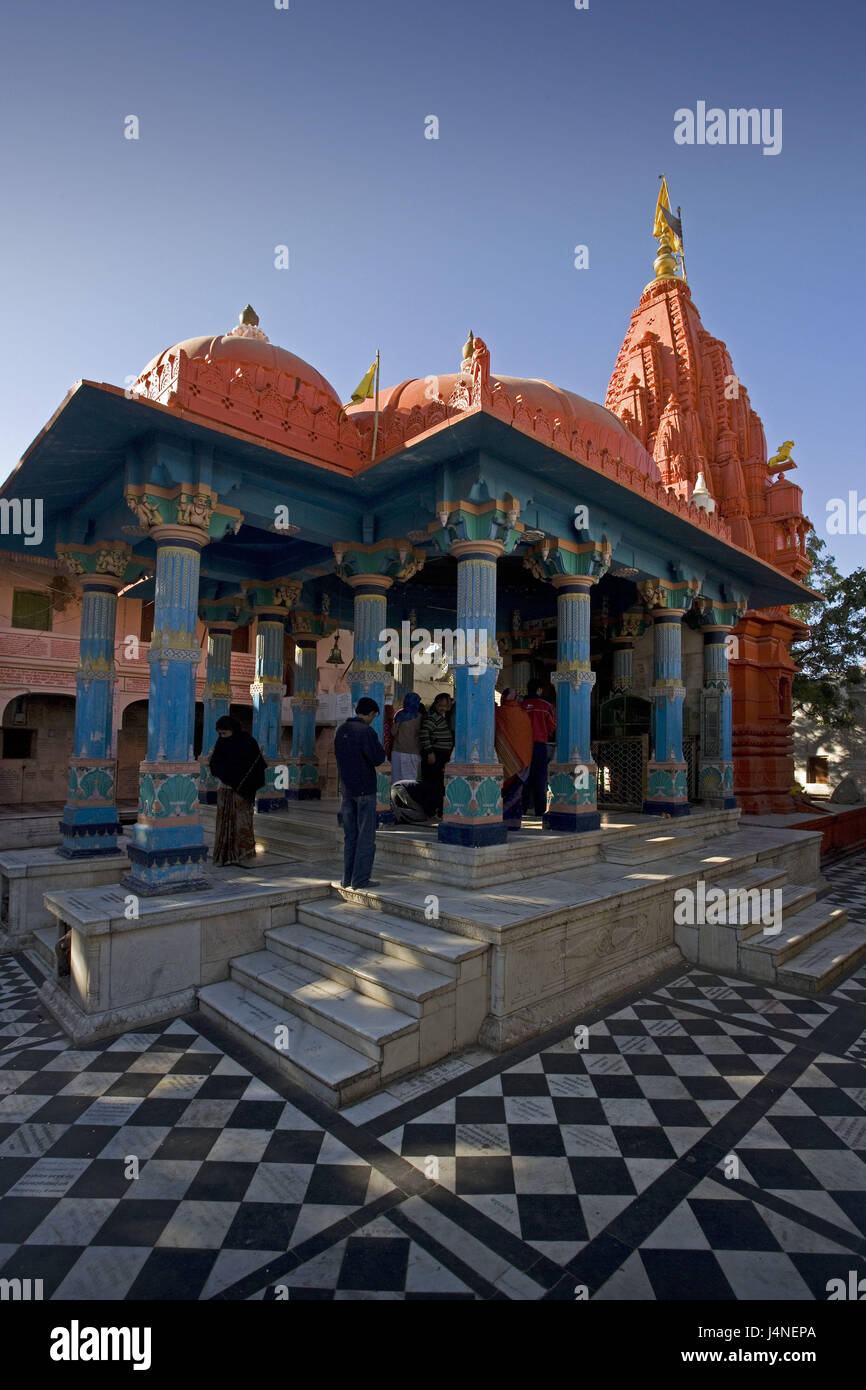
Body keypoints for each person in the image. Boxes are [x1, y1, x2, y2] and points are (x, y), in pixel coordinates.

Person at [334, 696, 387, 889]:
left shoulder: (341, 730)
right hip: (365, 788)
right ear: (371, 713)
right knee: (365, 836)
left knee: (351, 835)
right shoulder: (366, 732)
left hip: (347, 790)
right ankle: (360, 879)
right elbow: (377, 758)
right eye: (374, 715)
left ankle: (347, 878)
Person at [209, 715, 267, 866]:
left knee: (242, 822)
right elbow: (215, 763)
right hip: (225, 789)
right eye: (220, 734)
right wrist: (224, 775)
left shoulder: (247, 742)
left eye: (225, 733)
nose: (222, 737)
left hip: (242, 791)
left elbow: (257, 766)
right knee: (224, 822)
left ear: (233, 730)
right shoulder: (221, 742)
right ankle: (225, 855)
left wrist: (239, 781)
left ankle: (242, 854)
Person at [494, 688, 534, 830]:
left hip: (504, 760)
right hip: (523, 760)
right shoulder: (523, 714)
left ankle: (498, 819)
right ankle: (513, 822)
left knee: (502, 791)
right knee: (516, 794)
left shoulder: (499, 713)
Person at [521, 680, 556, 816]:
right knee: (540, 777)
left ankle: (522, 808)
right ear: (539, 690)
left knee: (523, 776)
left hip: (523, 746)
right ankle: (540, 810)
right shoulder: (546, 706)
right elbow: (552, 727)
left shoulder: (521, 706)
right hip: (540, 745)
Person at [420, 691, 454, 817]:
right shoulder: (431, 717)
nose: (443, 708)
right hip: (435, 754)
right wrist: (430, 752)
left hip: (443, 755)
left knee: (440, 784)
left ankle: (438, 809)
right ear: (435, 704)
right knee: (433, 783)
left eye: (446, 705)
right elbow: (424, 734)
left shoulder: (444, 717)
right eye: (441, 705)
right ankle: (429, 810)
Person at [390, 691, 423, 782]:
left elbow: (393, 732)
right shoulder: (420, 717)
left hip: (397, 751)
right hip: (413, 752)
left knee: (396, 780)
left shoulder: (399, 714)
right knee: (410, 781)